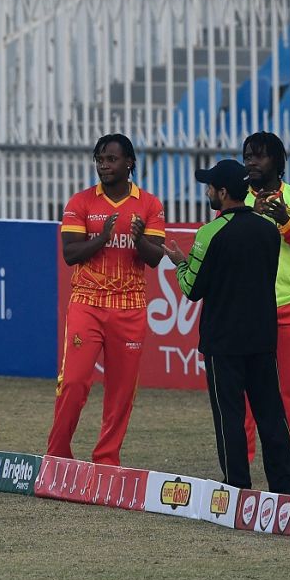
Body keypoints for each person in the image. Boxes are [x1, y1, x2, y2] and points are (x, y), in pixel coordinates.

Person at [163, 159, 290, 495]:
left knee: (230, 415)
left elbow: (192, 289)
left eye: (210, 187)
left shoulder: (209, 233)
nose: (208, 192)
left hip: (223, 340)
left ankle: (237, 485)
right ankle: (284, 484)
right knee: (271, 413)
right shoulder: (268, 228)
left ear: (223, 193)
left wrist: (181, 263)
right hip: (263, 337)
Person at [46, 134, 166, 466]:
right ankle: (57, 454)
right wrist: (102, 238)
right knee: (73, 382)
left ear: (129, 163)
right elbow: (70, 254)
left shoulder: (149, 204)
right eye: (100, 159)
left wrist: (139, 240)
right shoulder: (81, 202)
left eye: (111, 159)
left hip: (129, 308)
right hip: (87, 302)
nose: (104, 166)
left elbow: (154, 259)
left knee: (121, 391)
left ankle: (107, 458)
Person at [241, 132, 290, 483]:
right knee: (245, 392)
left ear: (277, 160)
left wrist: (287, 222)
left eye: (259, 156)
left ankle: (286, 462)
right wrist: (251, 216)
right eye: (247, 156)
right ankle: (240, 460)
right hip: (249, 309)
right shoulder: (236, 197)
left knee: (288, 390)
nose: (251, 163)